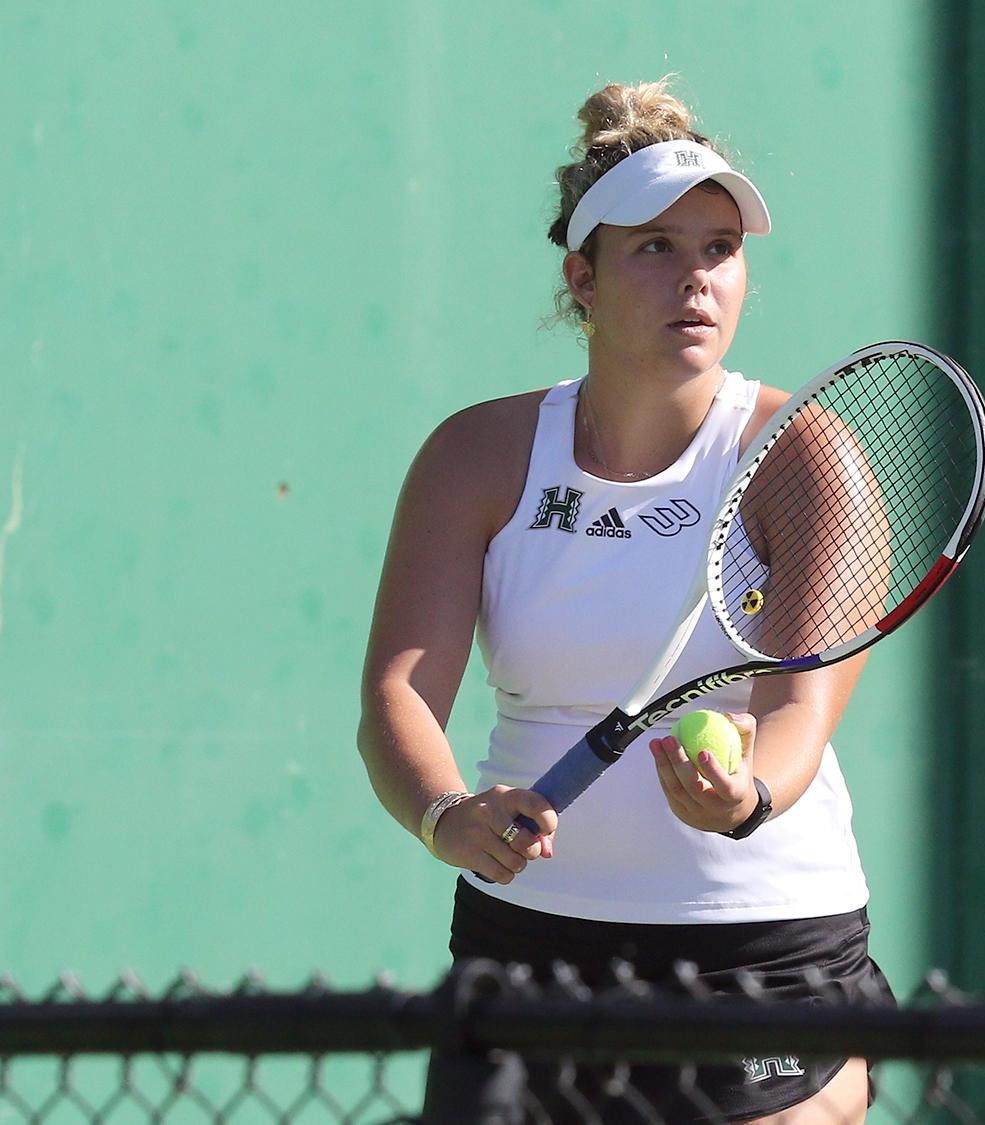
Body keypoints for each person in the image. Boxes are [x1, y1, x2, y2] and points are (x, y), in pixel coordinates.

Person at [358, 78, 890, 1124]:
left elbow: (797, 714)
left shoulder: (806, 458)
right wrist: (444, 814)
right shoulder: (476, 456)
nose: (695, 277)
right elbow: (396, 700)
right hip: (527, 951)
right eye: (655, 247)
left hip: (758, 948)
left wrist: (746, 800)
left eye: (718, 248)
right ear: (581, 275)